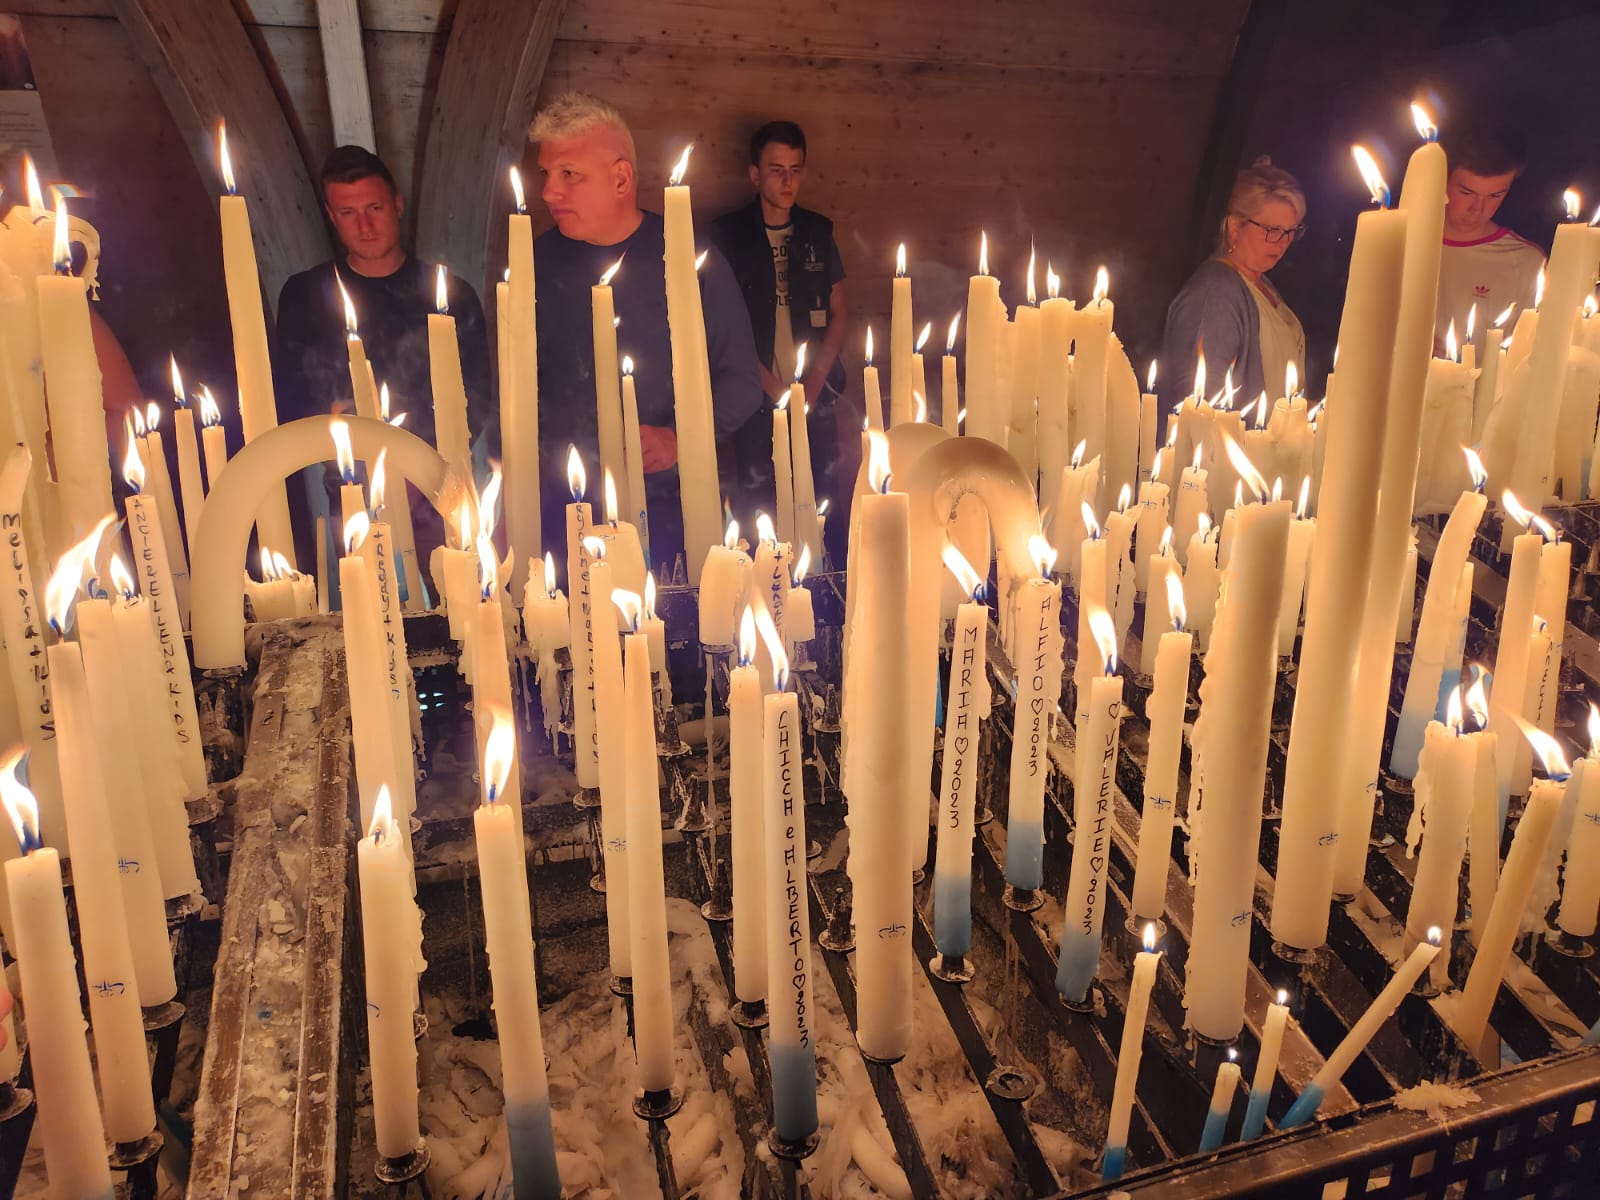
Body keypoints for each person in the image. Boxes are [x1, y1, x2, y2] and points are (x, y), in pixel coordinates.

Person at [528, 93, 762, 570]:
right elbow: (515, 389)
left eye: (569, 174)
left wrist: (678, 438)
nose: (550, 192)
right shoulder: (534, 262)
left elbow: (742, 382)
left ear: (621, 178)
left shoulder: (688, 259)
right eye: (546, 173)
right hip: (561, 514)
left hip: (668, 510)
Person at [273, 145, 493, 579]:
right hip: (351, 493)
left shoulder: (448, 294)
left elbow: (477, 398)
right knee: (369, 601)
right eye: (348, 212)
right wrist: (339, 433)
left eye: (374, 208)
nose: (365, 225)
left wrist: (417, 471)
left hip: (436, 492)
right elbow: (292, 396)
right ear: (331, 216)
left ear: (397, 204)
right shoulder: (306, 296)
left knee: (449, 595)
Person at [711, 120, 848, 559]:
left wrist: (814, 382)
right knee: (761, 508)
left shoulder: (817, 231)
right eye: (776, 170)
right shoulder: (728, 236)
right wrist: (769, 386)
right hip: (754, 399)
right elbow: (717, 324)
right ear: (755, 174)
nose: (787, 181)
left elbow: (839, 312)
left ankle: (825, 585)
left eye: (795, 170)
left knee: (822, 501)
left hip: (815, 397)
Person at [1160, 158, 1307, 411]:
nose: (1283, 242)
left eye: (1290, 231)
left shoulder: (1262, 284)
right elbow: (1199, 404)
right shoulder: (1215, 294)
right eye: (1273, 230)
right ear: (1235, 226)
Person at [1436, 125, 1544, 357]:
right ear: (1443, 179)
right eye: (1467, 193)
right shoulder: (1400, 240)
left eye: (1495, 195)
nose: (1478, 209)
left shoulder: (1526, 263)